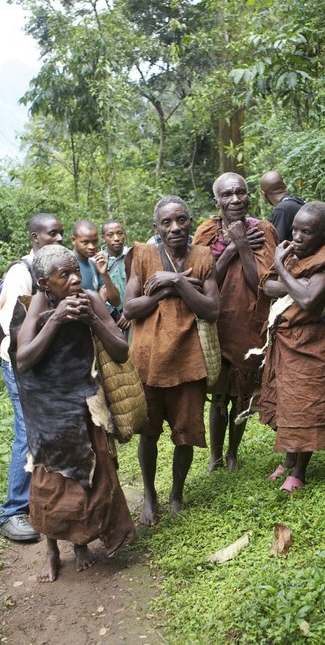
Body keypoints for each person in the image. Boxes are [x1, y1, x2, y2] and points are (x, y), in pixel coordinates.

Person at [10, 245, 136, 582]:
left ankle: (81, 540)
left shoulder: (91, 298)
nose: (75, 279)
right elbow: (23, 359)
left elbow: (122, 351)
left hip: (84, 400)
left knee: (93, 471)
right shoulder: (35, 305)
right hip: (46, 409)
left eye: (76, 272)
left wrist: (92, 319)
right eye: (64, 275)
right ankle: (52, 549)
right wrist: (57, 318)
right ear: (44, 283)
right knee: (51, 479)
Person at [124, 196, 219, 525]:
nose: (175, 227)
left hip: (188, 361)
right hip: (148, 362)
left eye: (181, 220)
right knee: (148, 434)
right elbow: (130, 309)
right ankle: (150, 494)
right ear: (157, 228)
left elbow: (211, 309)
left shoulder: (204, 256)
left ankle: (176, 492)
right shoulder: (144, 255)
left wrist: (177, 280)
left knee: (186, 434)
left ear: (190, 221)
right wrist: (163, 290)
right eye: (166, 223)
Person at [256, 202, 325, 493]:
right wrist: (297, 282)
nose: (296, 236)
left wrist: (284, 269)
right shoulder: (296, 252)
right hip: (287, 339)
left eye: (306, 232)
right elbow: (268, 287)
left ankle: (299, 471)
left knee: (307, 405)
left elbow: (309, 301)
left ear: (324, 233)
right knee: (288, 403)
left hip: (314, 342)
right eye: (294, 229)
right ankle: (288, 459)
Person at [193, 173, 278, 472]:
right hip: (217, 325)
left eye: (240, 192)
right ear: (216, 201)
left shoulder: (264, 230)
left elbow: (262, 283)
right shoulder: (207, 233)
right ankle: (215, 456)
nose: (235, 200)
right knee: (218, 395)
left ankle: (232, 454)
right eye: (227, 195)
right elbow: (201, 282)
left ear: (249, 195)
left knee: (241, 394)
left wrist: (244, 245)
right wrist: (231, 248)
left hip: (250, 323)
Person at [0, 213, 65, 542]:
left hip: (46, 362)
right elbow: (15, 328)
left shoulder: (53, 266)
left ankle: (44, 500)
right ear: (35, 238)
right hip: (20, 365)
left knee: (43, 431)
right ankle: (12, 512)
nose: (60, 239)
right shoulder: (20, 275)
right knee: (26, 432)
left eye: (62, 233)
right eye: (53, 234)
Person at [259, 171, 325, 247]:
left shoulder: (283, 209)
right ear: (285, 184)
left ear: (263, 194)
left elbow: (274, 245)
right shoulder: (297, 202)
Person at [71, 220, 121, 308]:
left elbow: (116, 301)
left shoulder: (94, 263)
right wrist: (100, 299)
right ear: (73, 240)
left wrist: (105, 274)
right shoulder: (68, 265)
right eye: (85, 243)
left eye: (94, 242)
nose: (91, 247)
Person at [100, 220, 132, 334]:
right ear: (103, 238)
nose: (116, 238)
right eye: (110, 235)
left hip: (131, 316)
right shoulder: (96, 260)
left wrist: (130, 313)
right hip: (107, 319)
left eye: (120, 233)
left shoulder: (133, 256)